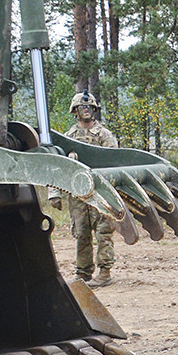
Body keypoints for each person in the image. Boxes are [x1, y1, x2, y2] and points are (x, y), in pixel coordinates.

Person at [65, 90, 119, 286]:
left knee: (103, 231)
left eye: (89, 107)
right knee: (81, 233)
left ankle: (105, 272)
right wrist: (54, 194)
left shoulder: (104, 135)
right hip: (78, 192)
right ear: (75, 111)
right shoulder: (68, 137)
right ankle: (83, 272)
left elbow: (113, 161)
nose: (86, 110)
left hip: (100, 190)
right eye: (82, 107)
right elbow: (60, 165)